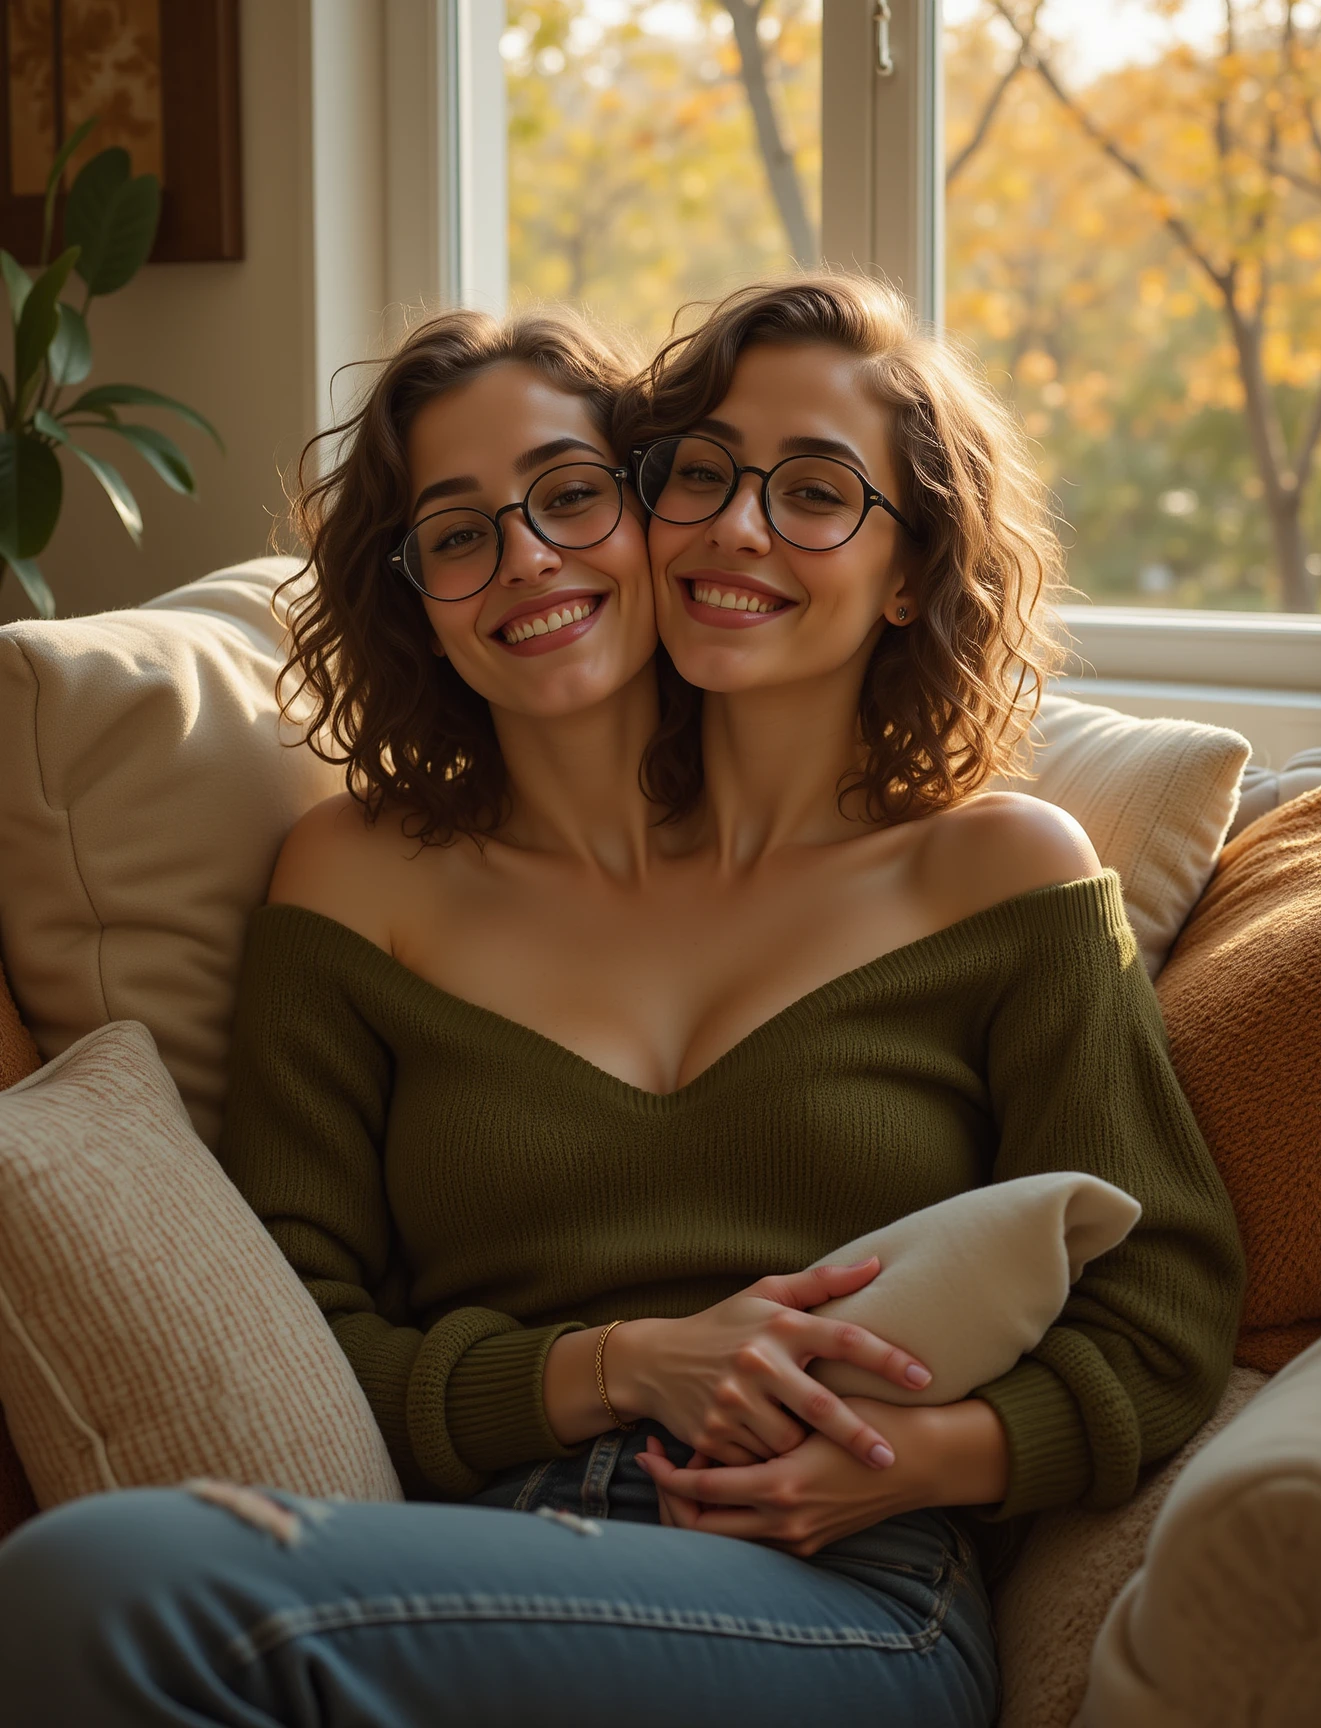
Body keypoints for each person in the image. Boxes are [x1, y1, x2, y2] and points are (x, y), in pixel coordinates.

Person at [0, 285, 1243, 1728]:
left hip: (849, 1589)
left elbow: (1168, 1296)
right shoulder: (351, 882)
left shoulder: (998, 873)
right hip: (479, 1559)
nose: (530, 558)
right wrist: (615, 1365)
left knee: (99, 1583)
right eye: (458, 533)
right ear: (412, 592)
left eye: (570, 495)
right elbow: (307, 1326)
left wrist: (931, 1458)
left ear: (911, 571)